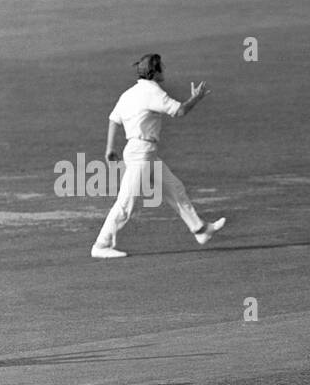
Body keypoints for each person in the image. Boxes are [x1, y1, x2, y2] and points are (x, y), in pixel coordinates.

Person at [91, 53, 225, 258]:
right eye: (162, 66)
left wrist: (109, 148)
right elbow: (179, 111)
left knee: (174, 188)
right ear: (154, 71)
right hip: (141, 154)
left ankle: (200, 230)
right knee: (126, 202)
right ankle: (101, 245)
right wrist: (195, 98)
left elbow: (113, 119)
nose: (165, 69)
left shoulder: (129, 93)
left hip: (144, 152)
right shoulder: (152, 92)